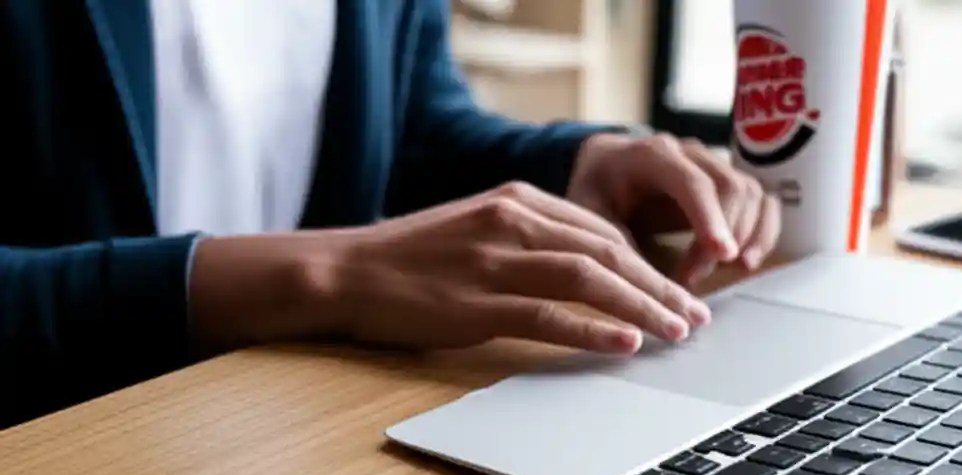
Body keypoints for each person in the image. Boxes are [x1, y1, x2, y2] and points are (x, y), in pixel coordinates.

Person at [0, 0, 780, 429]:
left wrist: (582, 165)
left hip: (293, 424)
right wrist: (329, 276)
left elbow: (414, 130)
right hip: (59, 464)